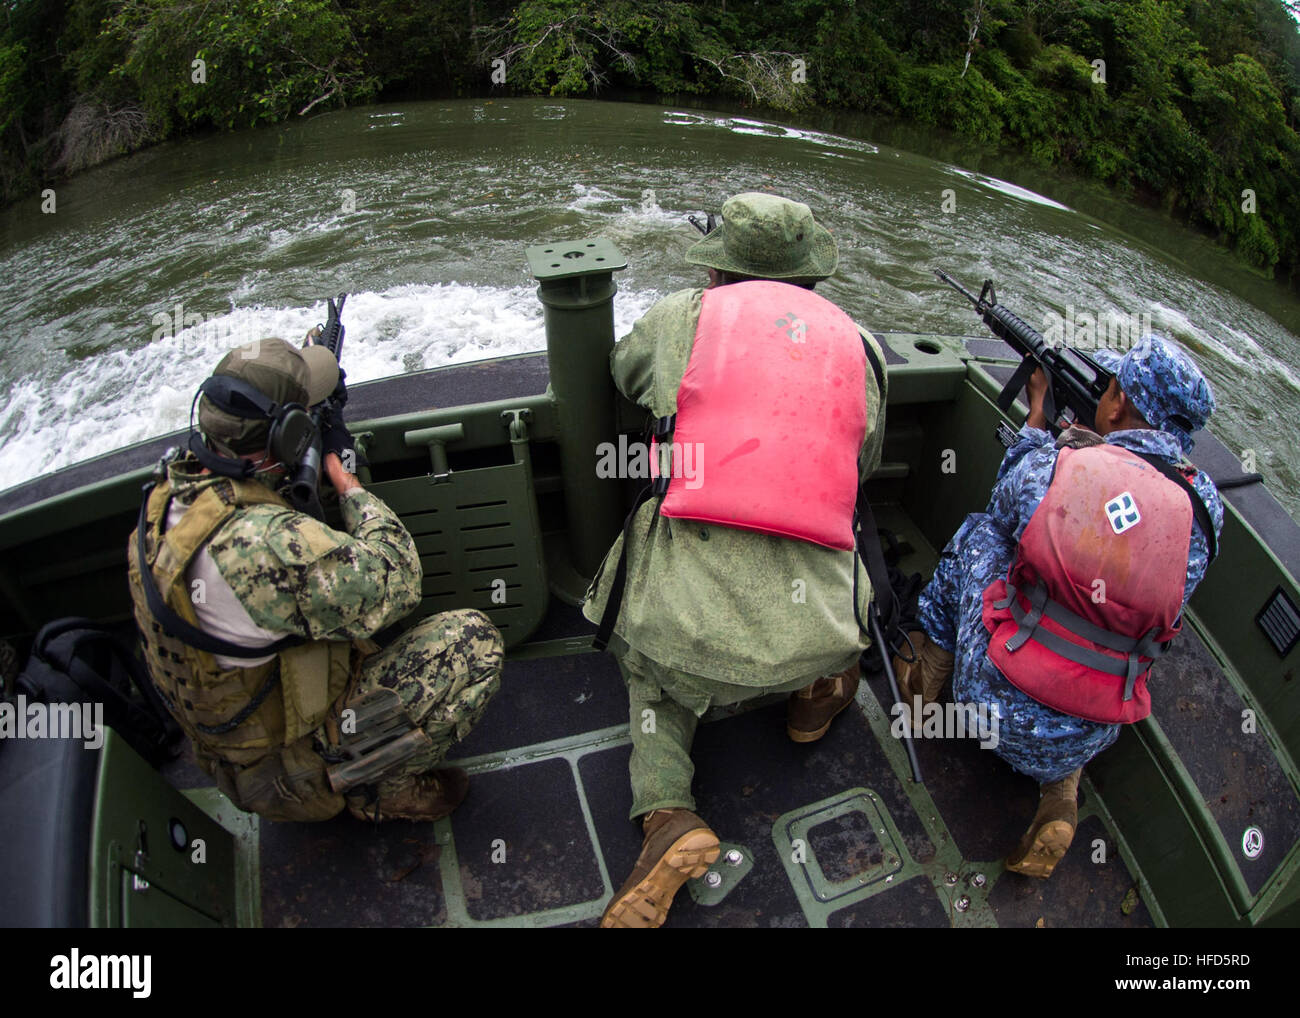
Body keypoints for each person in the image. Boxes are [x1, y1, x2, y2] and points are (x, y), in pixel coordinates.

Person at [582, 192, 888, 927]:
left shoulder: (682, 316)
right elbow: (862, 465)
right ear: (814, 277)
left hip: (688, 635)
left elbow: (622, 372)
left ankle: (667, 817)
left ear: (717, 269)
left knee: (652, 680)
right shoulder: (862, 345)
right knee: (848, 591)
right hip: (817, 632)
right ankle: (814, 700)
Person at [127, 336, 503, 823]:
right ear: (286, 435)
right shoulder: (270, 549)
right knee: (473, 643)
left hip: (233, 752)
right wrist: (350, 487)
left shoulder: (166, 497)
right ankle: (382, 793)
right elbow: (401, 578)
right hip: (292, 774)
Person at [897, 334, 1222, 878]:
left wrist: (1039, 423)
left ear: (1116, 404)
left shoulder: (1064, 461)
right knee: (1105, 630)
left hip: (988, 700)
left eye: (1110, 387)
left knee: (981, 535)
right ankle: (1060, 793)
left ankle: (925, 682)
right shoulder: (1205, 513)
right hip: (1091, 724)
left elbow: (1005, 501)